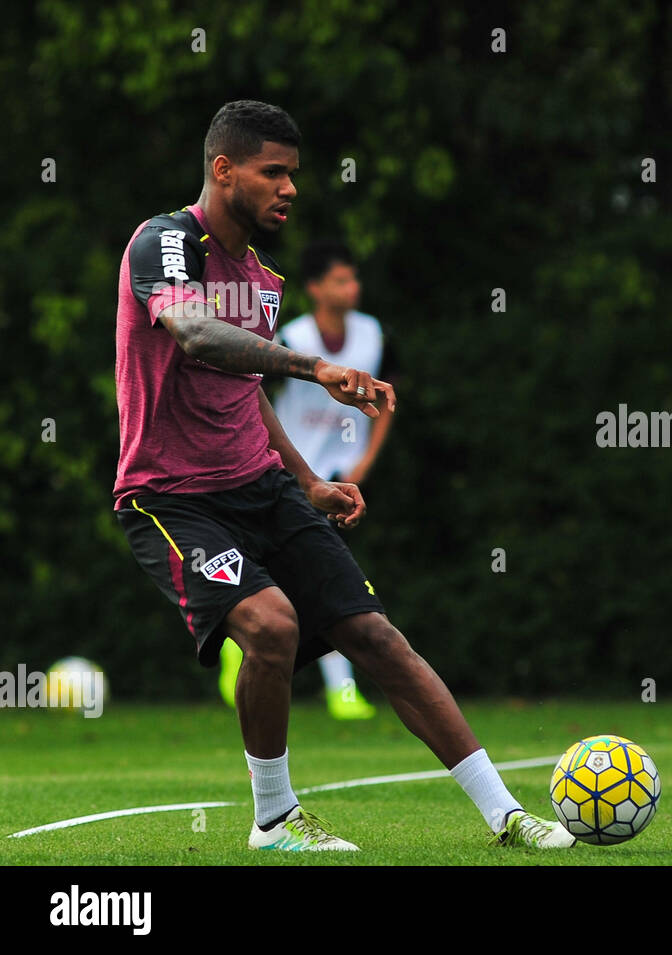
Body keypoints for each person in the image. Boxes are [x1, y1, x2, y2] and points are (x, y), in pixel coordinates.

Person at [114, 99, 572, 850]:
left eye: (294, 175)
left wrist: (306, 480)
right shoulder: (167, 242)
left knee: (379, 638)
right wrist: (314, 364)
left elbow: (243, 390)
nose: (289, 188)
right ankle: (274, 818)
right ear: (223, 169)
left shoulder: (262, 277)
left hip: (261, 484)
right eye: (273, 173)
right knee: (271, 624)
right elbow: (195, 334)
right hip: (170, 497)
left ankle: (507, 815)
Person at [217, 240, 392, 721]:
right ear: (315, 288)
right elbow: (249, 396)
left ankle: (266, 650)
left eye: (354, 278)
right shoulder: (289, 337)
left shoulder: (372, 334)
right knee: (322, 582)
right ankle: (331, 684)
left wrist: (365, 463)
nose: (351, 287)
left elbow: (386, 403)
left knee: (329, 579)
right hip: (292, 472)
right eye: (340, 279)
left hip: (345, 477)